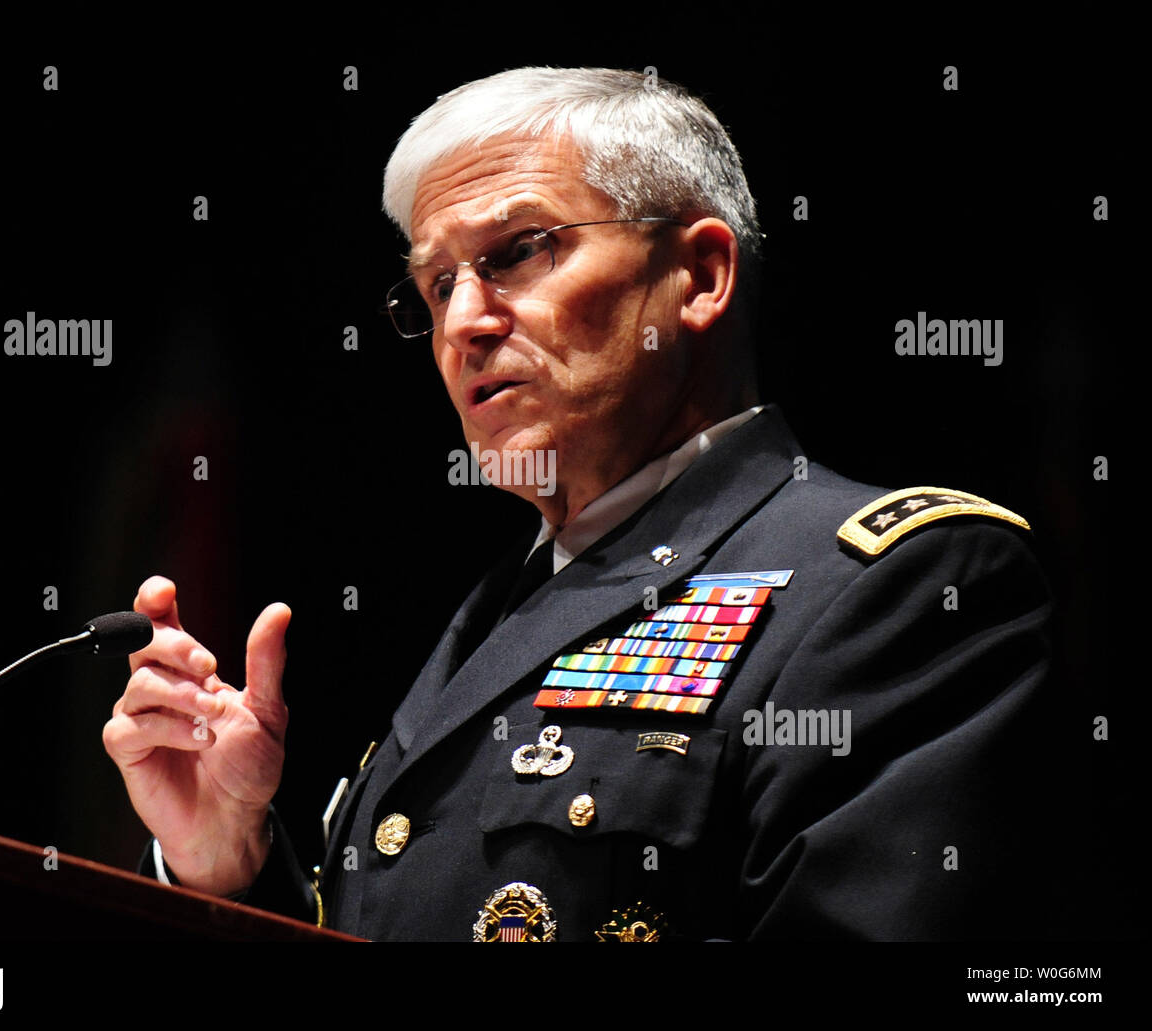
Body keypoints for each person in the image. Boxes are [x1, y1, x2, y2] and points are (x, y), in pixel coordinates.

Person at [102, 67, 1052, 941]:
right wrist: (229, 866)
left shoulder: (898, 586)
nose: (465, 323)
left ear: (701, 276)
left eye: (519, 252)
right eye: (436, 285)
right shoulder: (496, 614)